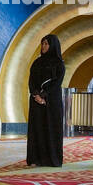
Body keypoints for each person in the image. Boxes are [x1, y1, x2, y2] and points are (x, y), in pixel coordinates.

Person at [26, 34, 65, 166]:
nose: (43, 46)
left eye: (46, 44)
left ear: (53, 45)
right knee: (38, 129)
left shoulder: (59, 63)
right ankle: (37, 158)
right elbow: (31, 81)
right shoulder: (37, 63)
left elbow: (56, 82)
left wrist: (43, 95)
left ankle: (52, 159)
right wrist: (36, 94)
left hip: (51, 101)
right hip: (36, 101)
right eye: (42, 43)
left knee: (51, 129)